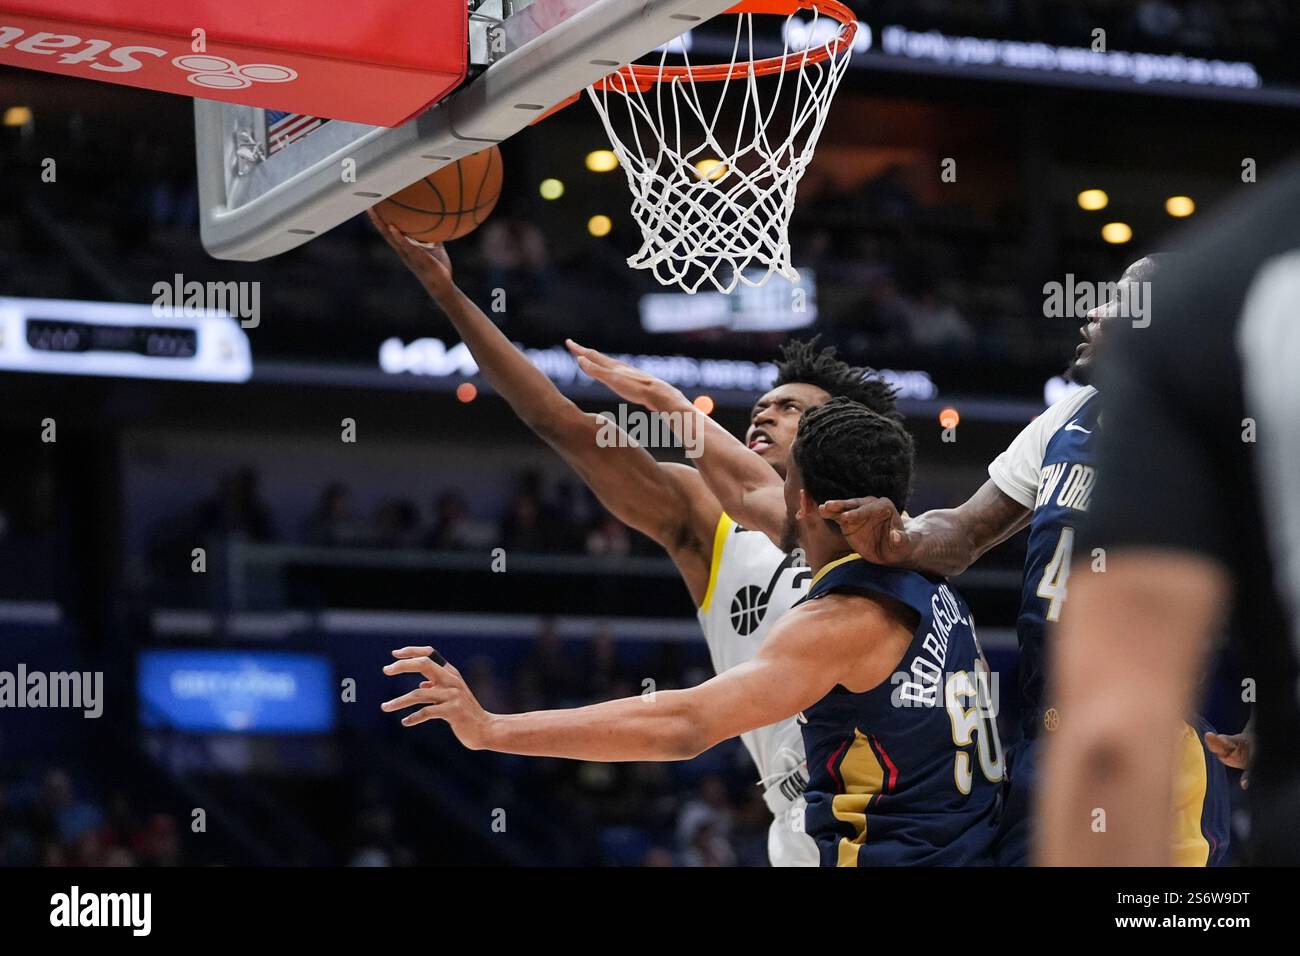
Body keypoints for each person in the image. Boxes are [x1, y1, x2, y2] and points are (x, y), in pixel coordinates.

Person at [370, 212, 898, 866]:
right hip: (805, 819)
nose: (766, 410)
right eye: (766, 400)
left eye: (792, 407)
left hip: (899, 813)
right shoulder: (710, 518)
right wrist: (449, 294)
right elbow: (565, 426)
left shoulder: (882, 543)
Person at [382, 399, 1004, 866]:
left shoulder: (838, 623)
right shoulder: (934, 580)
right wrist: (669, 403)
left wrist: (492, 729)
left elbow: (682, 726)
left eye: (783, 478)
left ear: (804, 501)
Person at [1037, 160, 1300, 866]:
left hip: (1139, 723)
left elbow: (1114, 743)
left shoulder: (1215, 299)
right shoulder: (1059, 423)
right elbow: (965, 529)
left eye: (1116, 301)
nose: (1093, 311)